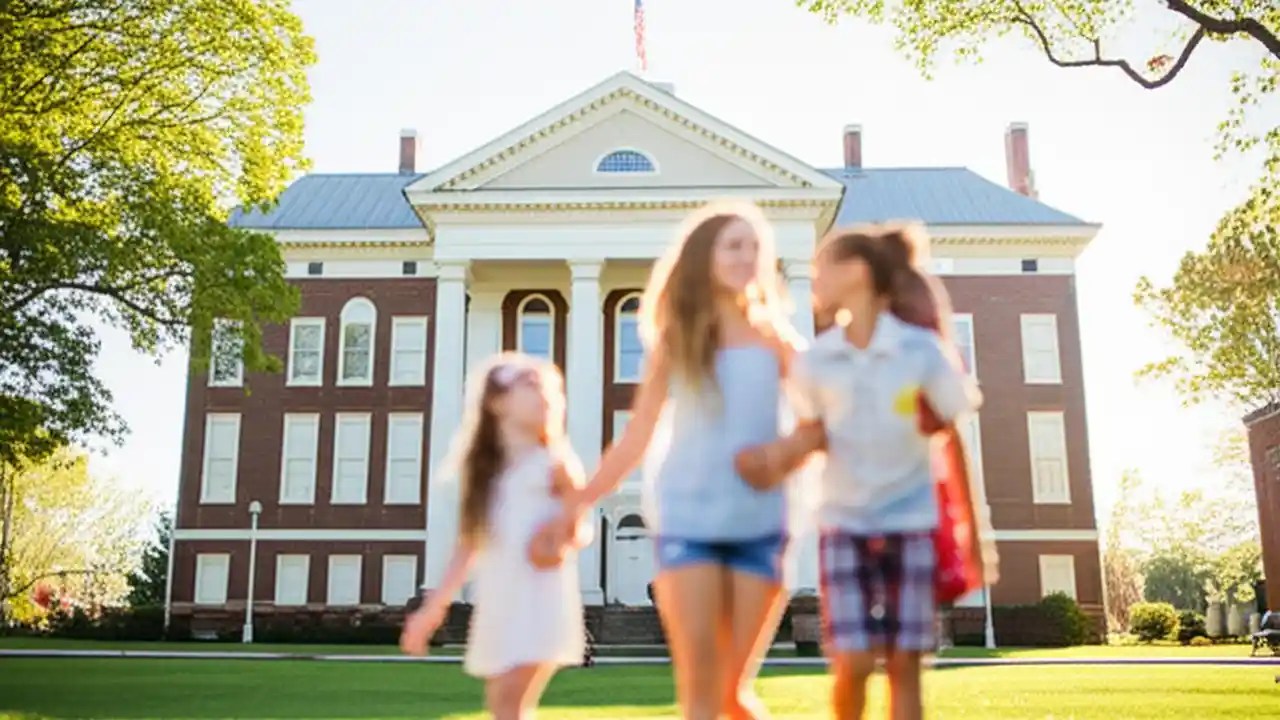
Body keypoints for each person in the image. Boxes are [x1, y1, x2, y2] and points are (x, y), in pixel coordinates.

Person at [566, 201, 802, 720]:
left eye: (756, 247)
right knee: (699, 691)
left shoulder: (777, 339)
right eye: (734, 245)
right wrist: (579, 500)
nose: (747, 256)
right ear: (705, 257)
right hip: (687, 518)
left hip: (761, 522)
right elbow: (636, 437)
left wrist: (782, 453)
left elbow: (824, 419)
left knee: (733, 694)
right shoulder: (679, 338)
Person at [739, 225, 983, 720]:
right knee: (851, 663)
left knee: (904, 665)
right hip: (844, 525)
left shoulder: (920, 351)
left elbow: (951, 440)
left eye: (822, 268)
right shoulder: (817, 361)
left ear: (857, 273)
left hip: (910, 524)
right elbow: (811, 436)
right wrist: (770, 461)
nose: (814, 280)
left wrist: (974, 537)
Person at [400, 353, 590, 720]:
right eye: (530, 385)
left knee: (514, 702)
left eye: (548, 387)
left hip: (540, 596)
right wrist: (434, 606)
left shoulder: (554, 463)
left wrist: (557, 538)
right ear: (497, 402)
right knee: (503, 705)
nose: (544, 394)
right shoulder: (485, 473)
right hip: (500, 599)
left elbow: (580, 524)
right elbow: (467, 545)